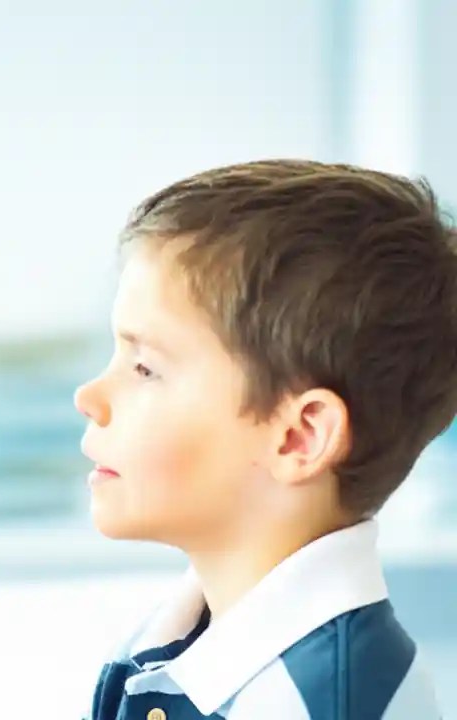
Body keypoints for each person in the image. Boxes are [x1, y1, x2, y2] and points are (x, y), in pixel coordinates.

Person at [74, 160, 457, 718]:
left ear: (299, 437)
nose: (88, 396)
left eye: (145, 368)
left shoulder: (327, 702)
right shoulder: (164, 646)